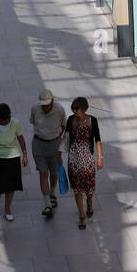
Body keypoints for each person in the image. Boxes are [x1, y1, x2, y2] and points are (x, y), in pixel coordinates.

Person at [65, 97, 103, 229]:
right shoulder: (70, 120)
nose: (74, 110)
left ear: (83, 108)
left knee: (89, 186)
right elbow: (66, 138)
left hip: (88, 158)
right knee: (77, 189)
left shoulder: (92, 120)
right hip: (74, 158)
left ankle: (90, 201)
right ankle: (82, 216)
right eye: (73, 108)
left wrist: (100, 157)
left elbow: (97, 139)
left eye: (76, 108)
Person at [29, 88, 67, 219]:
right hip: (38, 145)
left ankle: (52, 193)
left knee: (54, 172)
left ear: (52, 102)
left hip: (55, 145)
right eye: (43, 106)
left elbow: (64, 127)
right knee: (43, 172)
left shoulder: (60, 110)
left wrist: (59, 145)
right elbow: (33, 122)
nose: (45, 108)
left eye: (48, 105)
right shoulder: (35, 109)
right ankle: (47, 205)